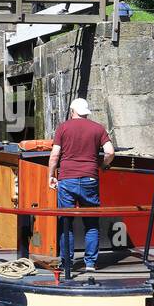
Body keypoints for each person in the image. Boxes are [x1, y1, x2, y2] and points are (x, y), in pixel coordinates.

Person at [47, 97, 115, 274]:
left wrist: (51, 176)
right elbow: (110, 152)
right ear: (87, 112)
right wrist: (103, 165)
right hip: (89, 179)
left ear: (72, 111)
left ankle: (67, 263)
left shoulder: (63, 127)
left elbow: (54, 156)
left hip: (67, 179)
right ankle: (90, 263)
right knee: (91, 223)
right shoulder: (98, 129)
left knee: (66, 222)